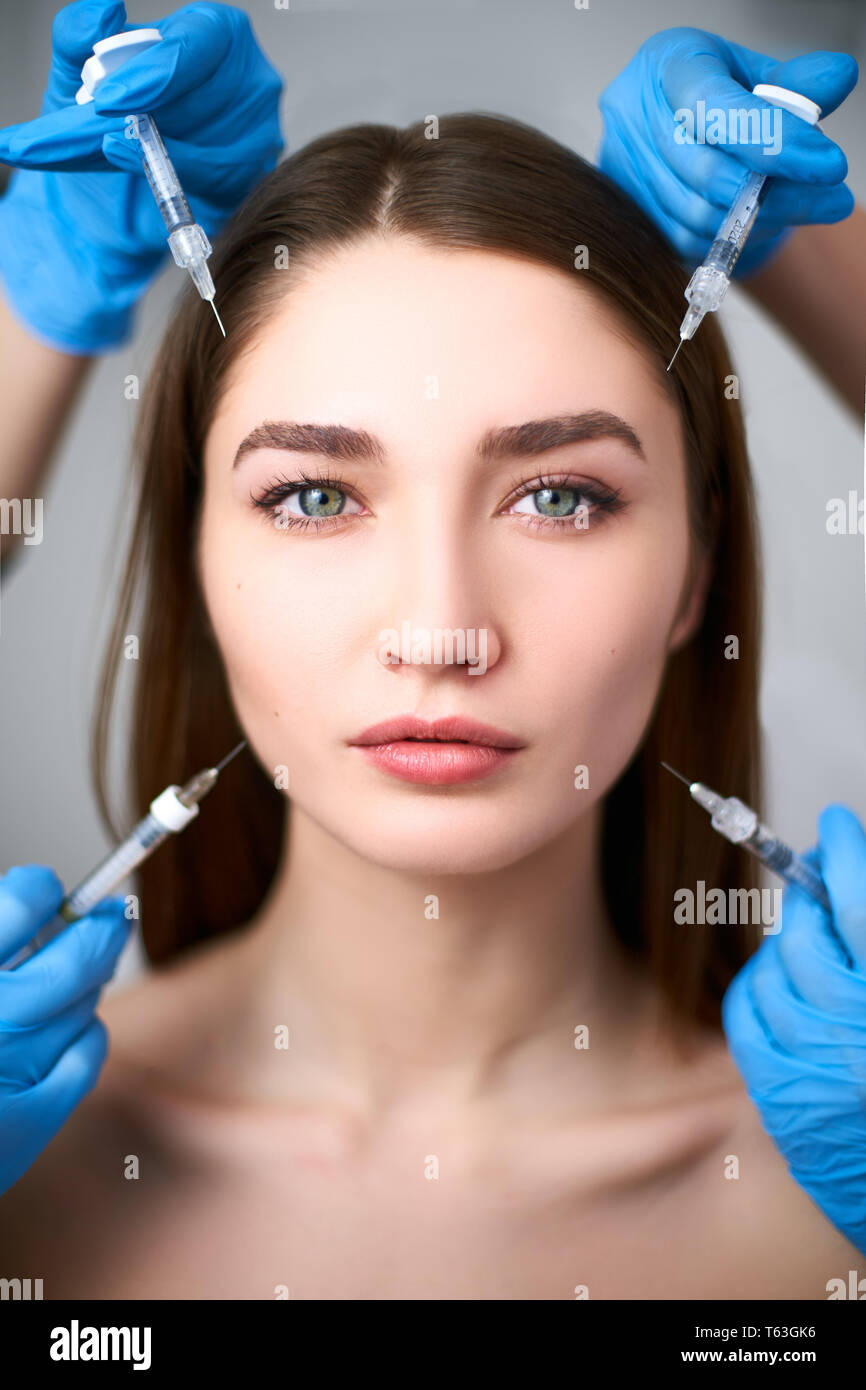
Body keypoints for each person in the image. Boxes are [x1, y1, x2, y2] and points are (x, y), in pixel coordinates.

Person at [0, 6, 863, 1298]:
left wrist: (816, 248)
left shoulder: (828, 1201)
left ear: (694, 573)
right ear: (195, 562)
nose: (441, 631)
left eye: (560, 496)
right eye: (313, 497)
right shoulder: (38, 1183)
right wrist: (30, 298)